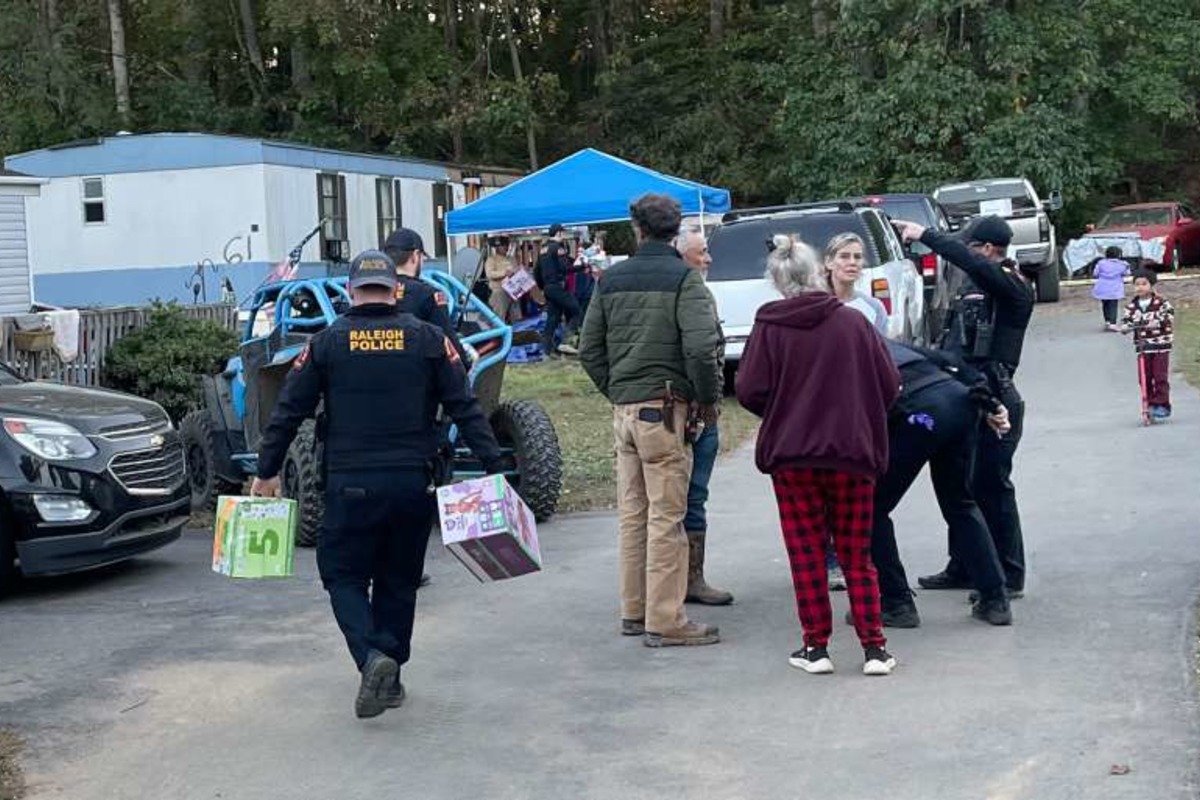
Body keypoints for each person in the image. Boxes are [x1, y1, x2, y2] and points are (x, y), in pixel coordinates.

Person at [251, 249, 503, 719]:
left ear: (350, 290)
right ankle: (391, 677)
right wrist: (493, 466)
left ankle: (371, 659)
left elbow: (288, 410)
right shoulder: (429, 338)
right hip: (413, 484)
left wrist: (267, 470)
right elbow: (464, 405)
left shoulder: (325, 343)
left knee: (343, 576)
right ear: (395, 289)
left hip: (349, 486)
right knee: (398, 581)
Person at [736, 234, 901, 676]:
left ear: (777, 280)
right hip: (851, 452)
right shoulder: (853, 323)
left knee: (806, 552)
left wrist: (785, 409)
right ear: (817, 273)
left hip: (793, 456)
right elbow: (889, 385)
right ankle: (875, 649)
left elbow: (749, 390)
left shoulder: (769, 326)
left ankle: (816, 647)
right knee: (857, 554)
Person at [579, 194, 724, 647]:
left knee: (633, 514)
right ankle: (665, 619)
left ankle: (634, 608)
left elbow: (589, 349)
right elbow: (701, 350)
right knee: (667, 516)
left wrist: (617, 391)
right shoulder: (686, 280)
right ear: (675, 231)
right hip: (664, 410)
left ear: (635, 228)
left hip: (625, 411)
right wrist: (706, 401)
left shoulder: (610, 280)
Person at [894, 215, 1034, 599]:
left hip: (996, 397)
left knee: (992, 487)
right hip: (964, 396)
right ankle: (965, 566)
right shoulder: (971, 289)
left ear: (988, 250)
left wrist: (927, 236)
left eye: (969, 247)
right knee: (960, 488)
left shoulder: (1012, 286)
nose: (963, 256)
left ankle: (1008, 575)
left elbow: (972, 263)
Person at [870, 341, 1014, 628]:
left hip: (917, 411)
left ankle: (896, 603)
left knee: (871, 509)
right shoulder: (883, 342)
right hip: (960, 400)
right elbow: (947, 359)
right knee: (960, 502)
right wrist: (992, 403)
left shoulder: (843, 349)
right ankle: (995, 599)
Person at [675, 226, 734, 606]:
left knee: (695, 494)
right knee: (678, 497)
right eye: (701, 252)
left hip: (702, 411)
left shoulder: (703, 292)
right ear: (681, 255)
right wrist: (706, 398)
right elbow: (698, 352)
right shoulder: (683, 293)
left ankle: (692, 577)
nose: (709, 259)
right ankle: (673, 579)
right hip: (687, 409)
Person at [383, 227, 468, 365]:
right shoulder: (428, 295)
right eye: (423, 257)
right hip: (417, 377)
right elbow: (450, 347)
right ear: (415, 256)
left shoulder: (372, 291)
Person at [1121, 268, 1174, 419]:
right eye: (1137, 284)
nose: (1140, 287)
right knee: (1144, 376)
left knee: (1159, 376)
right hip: (1143, 346)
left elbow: (1169, 316)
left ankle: (1162, 404)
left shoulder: (1161, 302)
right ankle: (1149, 403)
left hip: (1160, 345)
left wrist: (1157, 322)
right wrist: (1125, 327)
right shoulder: (1132, 306)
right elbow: (1126, 321)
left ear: (1151, 285)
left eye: (1144, 284)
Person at [822, 232, 889, 335]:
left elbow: (880, 348)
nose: (852, 262)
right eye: (844, 256)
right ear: (829, 262)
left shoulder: (874, 307)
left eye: (857, 257)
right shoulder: (814, 305)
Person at [535, 223, 584, 357]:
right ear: (559, 234)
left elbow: (536, 271)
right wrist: (581, 267)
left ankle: (547, 350)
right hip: (557, 286)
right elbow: (564, 268)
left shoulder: (543, 249)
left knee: (553, 318)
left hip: (548, 288)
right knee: (576, 310)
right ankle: (567, 341)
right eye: (563, 234)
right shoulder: (558, 248)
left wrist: (542, 287)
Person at [1093, 247, 1131, 331]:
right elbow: (1127, 273)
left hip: (1102, 286)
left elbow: (1095, 273)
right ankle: (1113, 323)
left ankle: (1107, 321)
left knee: (1105, 304)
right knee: (1113, 305)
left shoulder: (1101, 263)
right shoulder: (1122, 264)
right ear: (1119, 255)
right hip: (1114, 287)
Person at [484, 236, 517, 322]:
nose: (505, 247)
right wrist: (504, 273)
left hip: (513, 290)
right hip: (499, 291)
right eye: (503, 246)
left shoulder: (511, 259)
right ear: (497, 247)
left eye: (506, 245)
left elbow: (516, 270)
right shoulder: (491, 260)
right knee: (500, 316)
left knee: (516, 315)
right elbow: (490, 274)